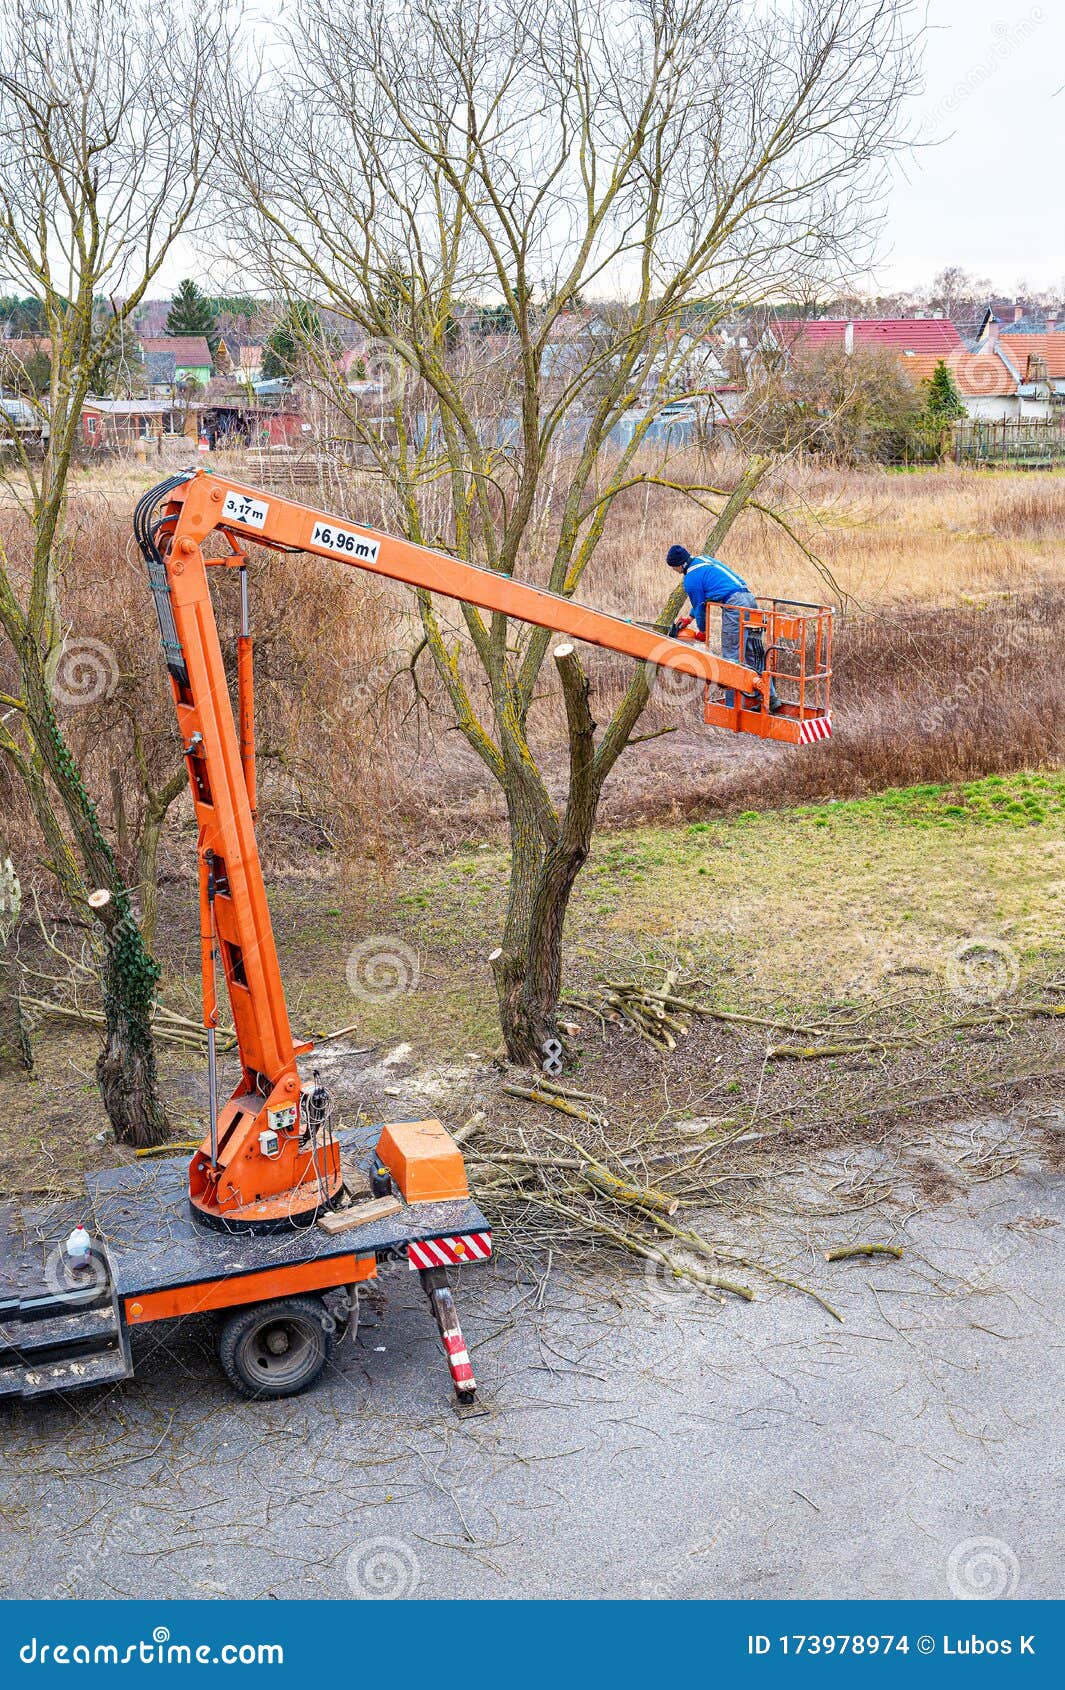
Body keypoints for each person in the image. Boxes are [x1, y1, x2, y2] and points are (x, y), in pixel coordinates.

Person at [665, 544, 780, 711]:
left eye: (673, 567)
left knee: (731, 657)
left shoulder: (690, 579)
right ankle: (770, 697)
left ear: (678, 565)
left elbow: (701, 607)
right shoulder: (703, 560)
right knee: (751, 654)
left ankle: (733, 708)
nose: (673, 570)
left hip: (734, 606)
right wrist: (689, 617)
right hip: (749, 601)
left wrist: (702, 632)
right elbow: (705, 597)